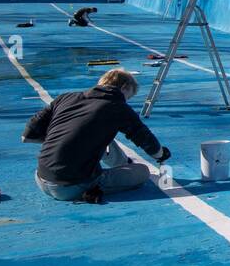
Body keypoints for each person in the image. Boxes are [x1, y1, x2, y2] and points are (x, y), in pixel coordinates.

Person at [23, 69, 171, 203]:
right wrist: (161, 154)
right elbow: (146, 139)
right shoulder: (117, 106)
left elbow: (27, 136)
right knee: (142, 172)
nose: (126, 101)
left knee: (102, 135)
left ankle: (120, 165)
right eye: (128, 96)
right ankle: (93, 187)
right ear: (124, 87)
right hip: (70, 187)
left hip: (41, 179)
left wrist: (66, 144)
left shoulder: (65, 98)